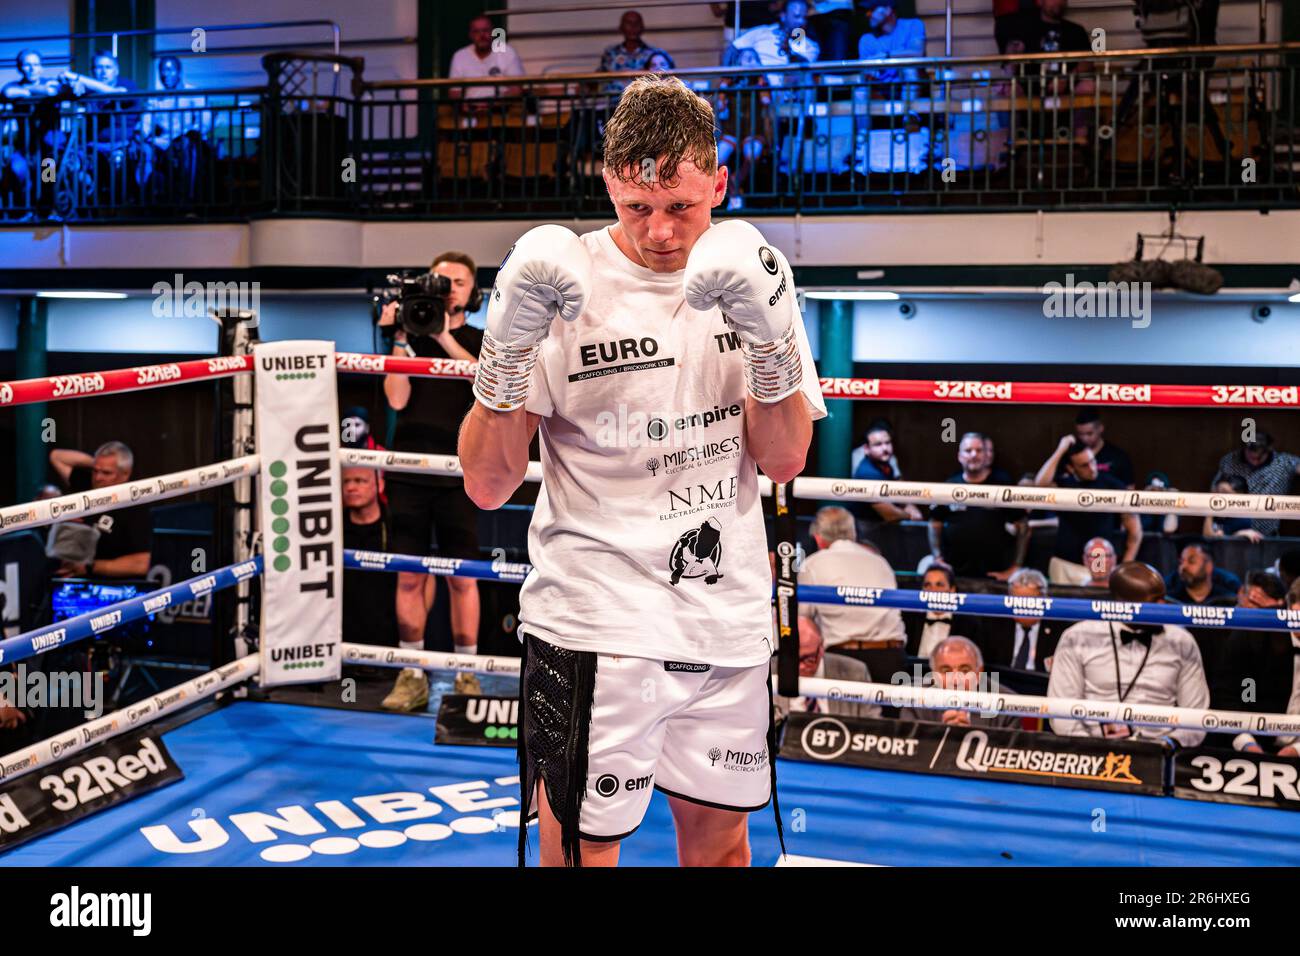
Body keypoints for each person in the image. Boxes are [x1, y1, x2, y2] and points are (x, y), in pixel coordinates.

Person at [459, 74, 825, 867]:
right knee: (580, 855)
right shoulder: (564, 285)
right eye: (637, 208)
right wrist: (507, 350)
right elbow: (487, 484)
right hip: (596, 625)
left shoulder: (756, 275)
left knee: (725, 849)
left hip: (724, 623)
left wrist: (768, 349)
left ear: (720, 183)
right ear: (608, 184)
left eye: (682, 208)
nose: (660, 231)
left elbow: (787, 458)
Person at [380, 251, 486, 711]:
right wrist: (401, 336)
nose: (449, 287)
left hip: (461, 470)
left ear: (472, 291)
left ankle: (467, 674)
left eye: (458, 281)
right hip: (410, 470)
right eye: (441, 280)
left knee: (462, 578)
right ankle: (411, 672)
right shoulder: (409, 338)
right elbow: (397, 400)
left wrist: (442, 335)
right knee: (409, 576)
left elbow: (485, 386)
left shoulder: (483, 338)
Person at [1048, 561, 1209, 747]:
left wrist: (1169, 746)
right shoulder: (1078, 637)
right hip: (1091, 748)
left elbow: (1196, 715)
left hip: (1161, 750)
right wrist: (1090, 749)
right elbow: (1061, 712)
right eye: (1153, 602)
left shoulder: (1181, 641)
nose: (1163, 608)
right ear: (1124, 604)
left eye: (1163, 599)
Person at [798, 506, 907, 686]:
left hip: (845, 656)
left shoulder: (813, 564)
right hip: (891, 655)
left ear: (818, 538)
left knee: (843, 714)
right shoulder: (880, 561)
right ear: (853, 533)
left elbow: (803, 621)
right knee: (889, 714)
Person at [1034, 436, 1140, 585]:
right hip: (1064, 563)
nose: (1092, 468)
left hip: (1099, 564)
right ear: (1071, 468)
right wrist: (1061, 449)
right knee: (1064, 606)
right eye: (1084, 465)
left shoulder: (1112, 485)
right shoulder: (1064, 483)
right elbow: (1040, 484)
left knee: (1098, 605)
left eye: (1093, 461)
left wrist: (1123, 568)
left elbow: (1135, 531)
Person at [928, 432, 1024, 581]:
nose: (974, 455)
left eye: (979, 450)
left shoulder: (1002, 483)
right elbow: (935, 522)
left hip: (995, 575)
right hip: (956, 574)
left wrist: (1015, 567)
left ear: (987, 456)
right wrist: (937, 558)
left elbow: (1023, 525)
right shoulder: (950, 485)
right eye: (968, 450)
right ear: (959, 456)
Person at [46, 442, 151, 578]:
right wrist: (98, 463)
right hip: (65, 580)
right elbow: (57, 456)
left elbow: (141, 564)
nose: (98, 478)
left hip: (108, 586)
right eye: (95, 471)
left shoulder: (136, 508)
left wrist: (91, 567)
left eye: (106, 473)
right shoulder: (87, 484)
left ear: (125, 474)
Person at [1227, 578, 1300, 758]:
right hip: (1252, 745)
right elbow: (1236, 694)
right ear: (1290, 609)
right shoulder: (1255, 633)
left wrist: (1297, 749)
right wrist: (1247, 743)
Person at [772, 616, 877, 723]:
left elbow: (875, 726)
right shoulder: (769, 672)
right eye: (793, 659)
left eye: (809, 659)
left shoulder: (855, 672)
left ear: (821, 648)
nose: (801, 666)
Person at [900, 636, 1021, 729]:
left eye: (965, 670)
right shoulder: (914, 700)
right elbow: (908, 754)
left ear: (979, 672)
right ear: (933, 674)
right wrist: (940, 733)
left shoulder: (1008, 703)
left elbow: (1011, 755)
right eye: (946, 670)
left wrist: (970, 737)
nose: (956, 680)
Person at [340, 465, 399, 658]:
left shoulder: (397, 526)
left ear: (379, 485)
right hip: (344, 641)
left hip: (390, 641)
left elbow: (420, 580)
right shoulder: (332, 529)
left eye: (360, 481)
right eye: (346, 482)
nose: (351, 488)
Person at [713, 47, 773, 212]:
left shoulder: (760, 80)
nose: (750, 61)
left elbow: (766, 101)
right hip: (732, 129)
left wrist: (762, 82)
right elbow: (720, 104)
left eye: (753, 58)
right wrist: (725, 84)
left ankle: (735, 182)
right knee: (719, 157)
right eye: (746, 59)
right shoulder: (730, 80)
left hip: (753, 129)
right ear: (738, 62)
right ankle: (735, 193)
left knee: (752, 152)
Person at [1211, 432, 1300, 538]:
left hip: (1267, 534)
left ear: (1269, 450)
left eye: (1259, 458)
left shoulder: (1284, 463)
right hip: (1232, 533)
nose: (1255, 462)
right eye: (1251, 457)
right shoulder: (1230, 461)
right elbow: (1214, 490)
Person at [978, 568, 1064, 673]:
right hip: (1001, 683)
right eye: (1018, 600)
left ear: (1044, 599)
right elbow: (987, 671)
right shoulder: (992, 625)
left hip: (1042, 685)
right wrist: (991, 689)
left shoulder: (1060, 631)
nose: (1024, 607)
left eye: (1030, 601)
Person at [731, 0, 821, 89]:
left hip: (790, 95)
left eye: (804, 17)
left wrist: (790, 53)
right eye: (796, 16)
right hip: (758, 91)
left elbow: (803, 67)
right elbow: (733, 48)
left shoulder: (810, 45)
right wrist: (724, 79)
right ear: (783, 15)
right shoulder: (761, 32)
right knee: (747, 54)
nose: (801, 21)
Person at [904, 562, 986, 657]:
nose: (932, 591)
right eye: (927, 585)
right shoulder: (909, 619)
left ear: (952, 590)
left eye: (939, 585)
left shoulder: (969, 624)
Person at [849, 418, 922, 523]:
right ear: (866, 449)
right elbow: (890, 514)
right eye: (878, 444)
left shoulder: (884, 464)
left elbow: (898, 488)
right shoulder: (867, 473)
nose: (885, 448)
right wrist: (910, 515)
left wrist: (908, 505)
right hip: (864, 530)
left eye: (887, 443)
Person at [448, 15, 526, 103]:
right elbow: (454, 92)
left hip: (502, 110)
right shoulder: (460, 56)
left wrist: (494, 104)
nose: (482, 35)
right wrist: (465, 106)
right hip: (471, 111)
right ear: (470, 35)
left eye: (485, 30)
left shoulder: (508, 52)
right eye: (476, 31)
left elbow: (516, 89)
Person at [857, 1, 927, 84]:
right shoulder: (866, 39)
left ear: (888, 10)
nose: (868, 15)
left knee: (909, 71)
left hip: (910, 87)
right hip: (882, 90)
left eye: (872, 10)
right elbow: (867, 74)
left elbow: (917, 52)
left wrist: (886, 56)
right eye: (867, 11)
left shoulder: (913, 25)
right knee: (860, 86)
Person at [1066, 408, 1134, 488]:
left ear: (1101, 428)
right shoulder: (1071, 456)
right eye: (1080, 434)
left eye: (1089, 434)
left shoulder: (1119, 456)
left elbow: (1130, 490)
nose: (1084, 438)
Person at [599, 10, 657, 93]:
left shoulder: (653, 54)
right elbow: (599, 77)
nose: (633, 27)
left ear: (642, 27)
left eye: (637, 23)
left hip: (641, 102)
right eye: (628, 23)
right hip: (614, 103)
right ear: (621, 27)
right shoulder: (610, 54)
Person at [1167, 543, 1239, 605]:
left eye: (1191, 561)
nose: (1183, 567)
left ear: (1208, 567)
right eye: (1181, 562)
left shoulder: (1228, 600)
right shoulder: (1170, 600)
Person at [1203, 474, 1263, 542]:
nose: (1219, 497)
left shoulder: (1243, 519)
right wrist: (1210, 511)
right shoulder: (1215, 513)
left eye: (1225, 493)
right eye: (1217, 492)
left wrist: (1238, 535)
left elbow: (1222, 542)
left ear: (1241, 496)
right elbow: (1207, 537)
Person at [1138, 470, 1180, 536]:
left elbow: (1168, 529)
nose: (1156, 494)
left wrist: (1173, 498)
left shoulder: (1169, 508)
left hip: (1162, 543)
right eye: (1152, 490)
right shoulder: (1139, 508)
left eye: (1160, 490)